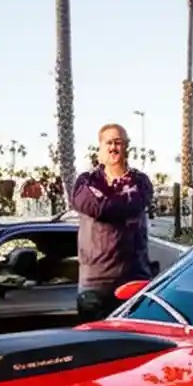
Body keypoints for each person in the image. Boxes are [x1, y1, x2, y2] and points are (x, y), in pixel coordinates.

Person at [70, 123, 155, 321]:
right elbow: (95, 207)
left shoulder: (140, 182)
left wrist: (106, 201)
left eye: (119, 142)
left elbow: (131, 205)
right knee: (94, 348)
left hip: (134, 283)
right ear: (100, 148)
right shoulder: (86, 181)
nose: (114, 147)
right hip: (95, 285)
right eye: (109, 142)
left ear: (127, 147)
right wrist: (122, 202)